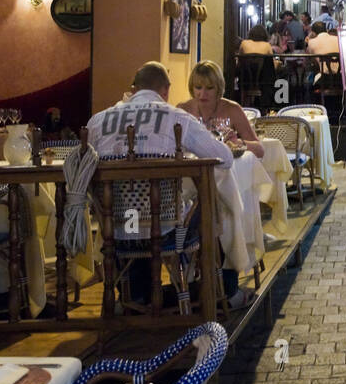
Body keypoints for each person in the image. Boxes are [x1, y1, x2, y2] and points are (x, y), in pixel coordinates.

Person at [86, 62, 252, 309]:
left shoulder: (97, 121)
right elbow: (224, 158)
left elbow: (80, 165)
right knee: (216, 206)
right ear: (165, 91)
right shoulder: (176, 118)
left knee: (135, 223)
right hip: (165, 229)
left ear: (133, 89)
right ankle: (224, 291)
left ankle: (134, 295)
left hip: (119, 229)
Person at [177, 60, 264, 159]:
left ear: (219, 88)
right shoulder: (182, 109)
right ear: (192, 88)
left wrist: (238, 143)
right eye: (198, 87)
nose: (203, 93)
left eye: (209, 88)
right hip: (191, 166)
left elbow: (260, 150)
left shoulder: (232, 109)